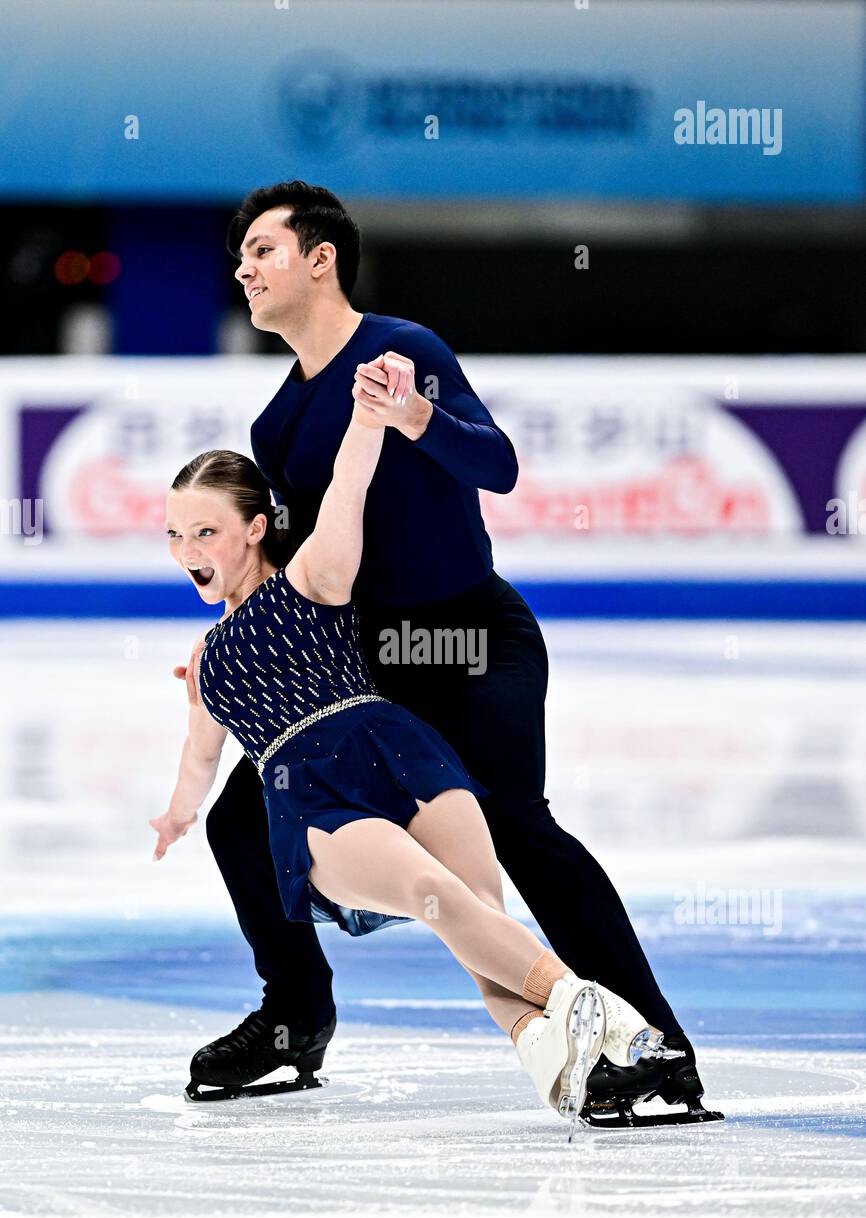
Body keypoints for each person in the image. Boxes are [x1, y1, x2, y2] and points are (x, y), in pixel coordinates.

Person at [174, 179, 711, 1118]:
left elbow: (497, 465)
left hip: (470, 638)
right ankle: (295, 1015)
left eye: (262, 250)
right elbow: (301, 564)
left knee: (521, 832)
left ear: (319, 258)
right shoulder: (276, 425)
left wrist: (415, 417)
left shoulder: (402, 349)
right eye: (241, 256)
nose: (244, 269)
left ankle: (656, 1040)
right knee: (239, 824)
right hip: (373, 665)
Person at [150, 408, 671, 1129]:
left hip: (400, 753)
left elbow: (348, 485)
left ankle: (558, 1065)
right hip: (312, 800)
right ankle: (609, 1019)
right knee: (435, 892)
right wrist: (177, 814)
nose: (186, 550)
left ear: (255, 528)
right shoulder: (206, 661)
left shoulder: (312, 580)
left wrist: (366, 416)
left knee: (483, 927)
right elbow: (198, 757)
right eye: (174, 534)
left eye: (204, 531)